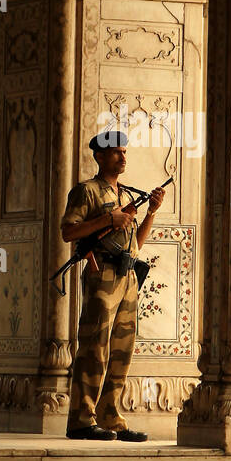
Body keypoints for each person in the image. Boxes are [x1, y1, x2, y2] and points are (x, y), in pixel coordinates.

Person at [60, 130, 165, 441]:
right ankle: (81, 420)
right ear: (99, 157)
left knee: (121, 350)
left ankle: (110, 418)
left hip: (128, 276)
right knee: (95, 347)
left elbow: (137, 244)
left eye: (124, 152)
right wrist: (108, 220)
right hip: (101, 273)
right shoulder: (87, 192)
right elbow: (69, 232)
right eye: (116, 152)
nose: (122, 157)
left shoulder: (124, 195)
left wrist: (151, 212)